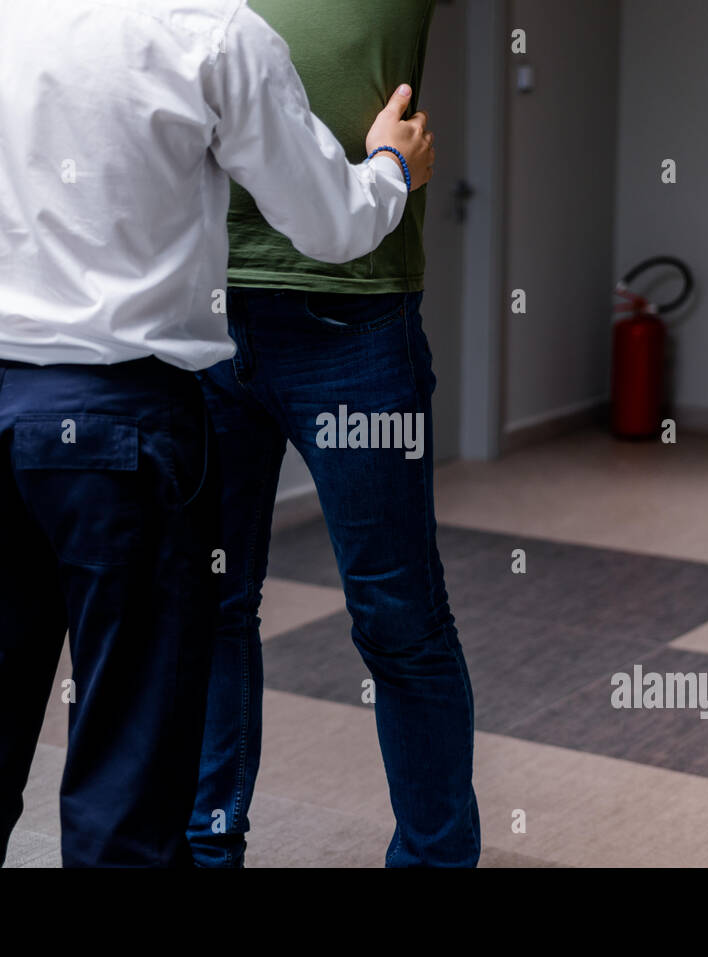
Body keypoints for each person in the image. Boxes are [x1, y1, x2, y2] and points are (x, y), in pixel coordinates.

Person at [0, 0, 434, 868]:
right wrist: (388, 170)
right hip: (119, 434)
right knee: (127, 780)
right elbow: (332, 224)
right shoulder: (209, 33)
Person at [187, 0, 480, 868]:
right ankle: (207, 848)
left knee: (398, 615)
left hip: (353, 322)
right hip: (194, 306)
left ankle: (434, 861)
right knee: (209, 601)